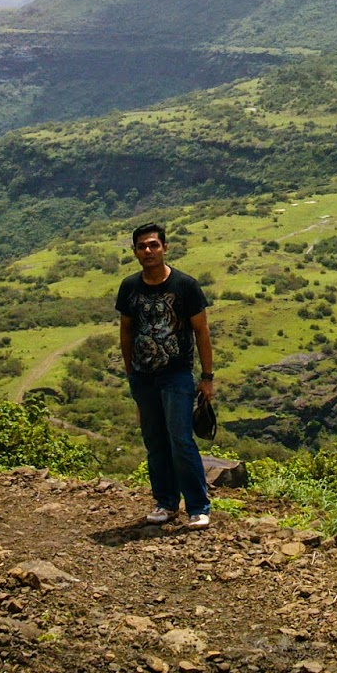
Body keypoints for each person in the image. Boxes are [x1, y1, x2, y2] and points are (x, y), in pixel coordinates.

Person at [116, 222, 215, 529]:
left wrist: (207, 377)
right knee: (154, 440)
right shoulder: (130, 287)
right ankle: (166, 503)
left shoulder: (185, 286)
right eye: (142, 246)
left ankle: (198, 507)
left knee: (181, 439)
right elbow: (126, 331)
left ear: (165, 248)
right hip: (143, 377)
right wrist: (131, 374)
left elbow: (202, 331)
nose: (148, 250)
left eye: (154, 245)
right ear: (135, 252)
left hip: (176, 375)